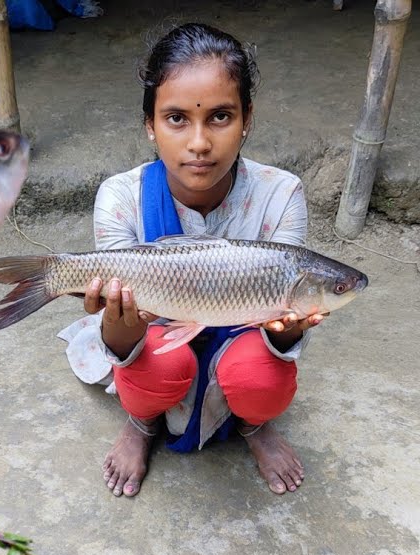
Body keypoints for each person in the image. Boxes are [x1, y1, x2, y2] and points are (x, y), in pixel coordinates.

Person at [61, 23, 320, 499]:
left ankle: (252, 425)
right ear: (149, 125)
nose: (199, 142)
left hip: (246, 330)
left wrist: (294, 322)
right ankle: (141, 424)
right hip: (153, 327)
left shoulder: (282, 194)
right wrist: (116, 315)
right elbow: (122, 335)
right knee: (158, 364)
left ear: (247, 119)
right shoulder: (121, 197)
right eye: (176, 118)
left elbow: (277, 324)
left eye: (220, 117)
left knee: (262, 376)